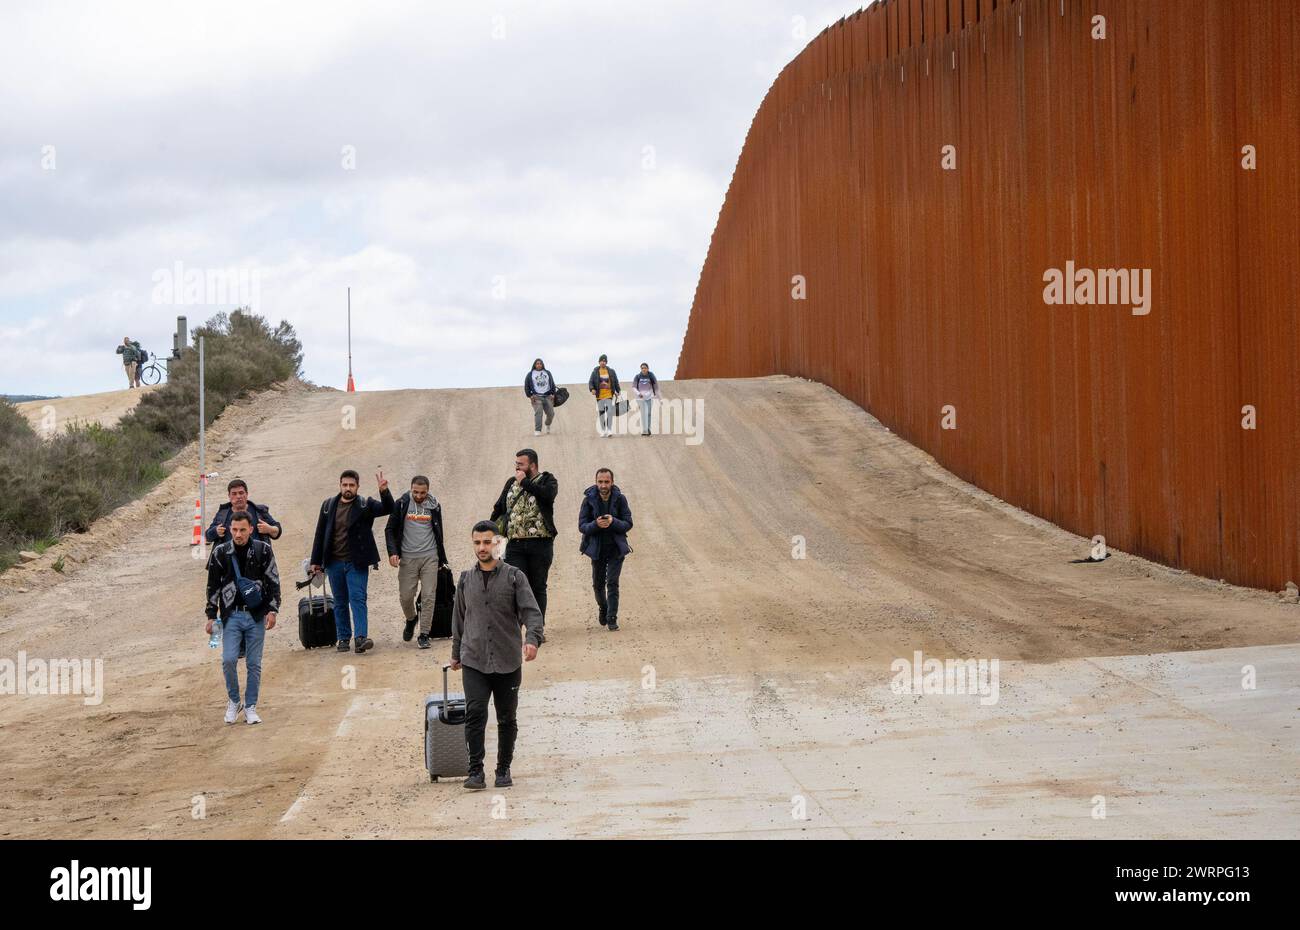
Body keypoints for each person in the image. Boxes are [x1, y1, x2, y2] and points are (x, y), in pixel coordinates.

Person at [451, 520, 543, 790]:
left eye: (487, 541)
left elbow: (531, 612)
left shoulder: (515, 577)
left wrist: (532, 640)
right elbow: (459, 619)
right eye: (477, 542)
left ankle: (503, 769)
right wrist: (456, 653)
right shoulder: (465, 579)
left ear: (498, 543)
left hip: (507, 659)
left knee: (506, 717)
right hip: (474, 659)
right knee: (475, 713)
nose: (482, 547)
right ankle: (475, 771)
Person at [205, 512, 280, 725]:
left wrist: (272, 610)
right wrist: (211, 615)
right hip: (231, 615)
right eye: (235, 530)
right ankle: (234, 700)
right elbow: (212, 586)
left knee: (254, 664)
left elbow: (273, 581)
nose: (238, 534)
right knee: (228, 660)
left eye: (242, 530)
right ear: (230, 530)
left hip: (256, 615)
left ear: (251, 529)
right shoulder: (220, 552)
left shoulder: (262, 550)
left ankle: (250, 706)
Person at [310, 469, 394, 654]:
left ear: (357, 486)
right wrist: (316, 561)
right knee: (340, 601)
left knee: (358, 598)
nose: (348, 488)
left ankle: (361, 638)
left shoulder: (365, 504)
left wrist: (384, 491)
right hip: (334, 563)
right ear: (340, 485)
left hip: (357, 563)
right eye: (345, 485)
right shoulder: (328, 505)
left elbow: (389, 509)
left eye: (351, 485)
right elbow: (320, 534)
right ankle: (343, 638)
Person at [489, 449, 557, 636]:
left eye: (521, 464)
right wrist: (492, 536)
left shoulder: (547, 480)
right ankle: (515, 629)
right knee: (515, 586)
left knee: (538, 586)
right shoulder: (511, 483)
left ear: (532, 465)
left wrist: (524, 482)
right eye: (516, 463)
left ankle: (536, 630)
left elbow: (547, 496)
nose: (517, 466)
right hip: (516, 545)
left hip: (540, 544)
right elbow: (499, 509)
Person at [385, 475, 449, 649]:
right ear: (410, 488)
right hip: (408, 558)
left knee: (429, 596)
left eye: (423, 493)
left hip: (430, 557)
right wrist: (393, 552)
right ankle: (412, 618)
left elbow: (439, 532)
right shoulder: (401, 503)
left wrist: (441, 558)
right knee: (406, 597)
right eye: (416, 492)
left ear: (428, 491)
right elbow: (389, 529)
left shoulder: (434, 505)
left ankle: (424, 634)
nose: (419, 496)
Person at [578, 468, 634, 631]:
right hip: (597, 548)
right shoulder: (588, 500)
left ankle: (612, 617)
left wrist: (613, 521)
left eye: (606, 482)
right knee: (597, 584)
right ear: (596, 482)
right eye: (600, 482)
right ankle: (603, 607)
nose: (603, 485)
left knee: (612, 582)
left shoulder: (620, 499)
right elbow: (582, 526)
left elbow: (628, 523)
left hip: (616, 548)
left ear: (612, 482)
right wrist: (596, 524)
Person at [205, 479, 282, 545]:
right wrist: (215, 531)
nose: (238, 497)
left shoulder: (259, 511)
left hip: (256, 559)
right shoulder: (222, 514)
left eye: (241, 493)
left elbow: (277, 532)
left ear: (247, 494)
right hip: (228, 559)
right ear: (229, 496)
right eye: (234, 494)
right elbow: (208, 537)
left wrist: (270, 529)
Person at [587, 353, 621, 437]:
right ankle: (603, 430)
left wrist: (618, 390)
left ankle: (609, 430)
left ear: (606, 362)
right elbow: (590, 382)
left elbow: (615, 381)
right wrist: (592, 389)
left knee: (609, 412)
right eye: (602, 361)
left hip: (609, 395)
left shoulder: (611, 371)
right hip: (599, 396)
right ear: (599, 362)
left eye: (605, 361)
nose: (603, 362)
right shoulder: (595, 372)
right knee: (601, 413)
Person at [524, 358, 557, 436]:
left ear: (542, 365)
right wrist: (530, 395)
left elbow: (552, 383)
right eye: (537, 364)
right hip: (536, 397)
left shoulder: (547, 373)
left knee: (551, 413)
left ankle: (547, 424)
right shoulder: (530, 374)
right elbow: (526, 386)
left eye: (540, 363)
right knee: (539, 413)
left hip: (548, 396)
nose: (539, 365)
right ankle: (537, 430)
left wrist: (553, 394)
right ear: (535, 365)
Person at [631, 362, 661, 436]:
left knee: (648, 413)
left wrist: (660, 398)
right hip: (641, 398)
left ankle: (648, 429)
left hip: (649, 397)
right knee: (644, 414)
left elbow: (656, 388)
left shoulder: (651, 376)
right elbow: (634, 387)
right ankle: (645, 430)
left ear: (648, 369)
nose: (643, 369)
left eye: (645, 368)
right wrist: (638, 393)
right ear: (641, 369)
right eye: (642, 368)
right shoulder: (637, 377)